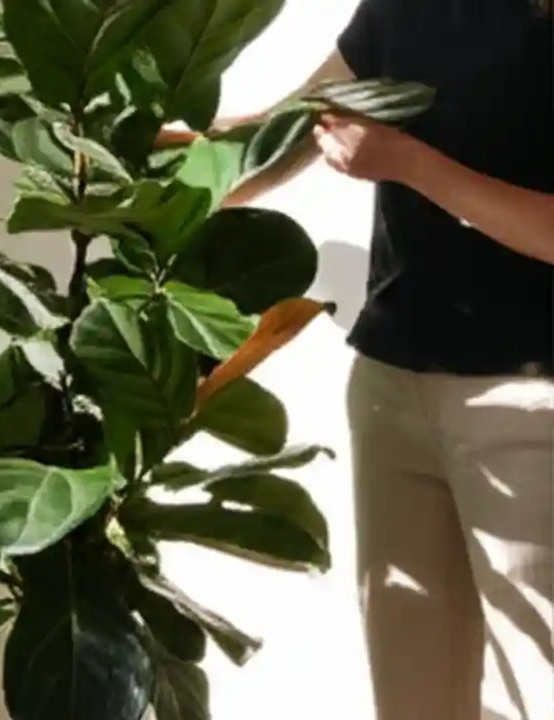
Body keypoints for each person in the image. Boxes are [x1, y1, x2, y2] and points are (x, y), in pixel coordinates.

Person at [171, 1, 553, 718]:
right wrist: (146, 160)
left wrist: (410, 165)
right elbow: (283, 133)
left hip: (529, 403)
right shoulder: (401, 8)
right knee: (413, 694)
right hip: (392, 390)